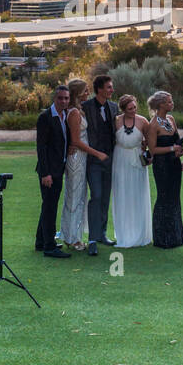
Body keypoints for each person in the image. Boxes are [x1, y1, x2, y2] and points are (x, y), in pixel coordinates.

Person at [60, 79, 101, 250]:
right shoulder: (74, 113)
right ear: (77, 93)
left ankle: (72, 235)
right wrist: (97, 153)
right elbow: (76, 141)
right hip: (76, 157)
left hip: (81, 158)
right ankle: (72, 238)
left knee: (79, 196)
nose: (88, 93)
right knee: (74, 197)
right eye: (85, 91)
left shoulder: (78, 110)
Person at [82, 74, 118, 256]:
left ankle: (102, 233)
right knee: (95, 196)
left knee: (105, 198)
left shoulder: (114, 107)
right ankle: (92, 239)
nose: (112, 90)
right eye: (109, 87)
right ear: (100, 89)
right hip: (92, 161)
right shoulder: (85, 107)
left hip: (110, 160)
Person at [145, 90, 183, 248]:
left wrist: (179, 149)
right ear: (161, 104)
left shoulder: (171, 119)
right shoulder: (153, 124)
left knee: (174, 198)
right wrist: (171, 148)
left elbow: (176, 140)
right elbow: (153, 150)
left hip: (174, 164)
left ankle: (176, 237)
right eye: (169, 101)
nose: (172, 103)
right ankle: (162, 238)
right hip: (162, 166)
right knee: (164, 198)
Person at [111, 94, 153, 248]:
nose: (133, 111)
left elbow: (149, 141)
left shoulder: (143, 121)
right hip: (120, 159)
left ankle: (140, 233)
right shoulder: (115, 121)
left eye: (135, 107)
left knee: (137, 195)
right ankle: (123, 233)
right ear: (123, 109)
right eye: (130, 109)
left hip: (137, 160)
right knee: (122, 194)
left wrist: (148, 153)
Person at [35, 85, 70, 258]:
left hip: (59, 168)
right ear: (54, 99)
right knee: (50, 207)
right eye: (60, 98)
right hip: (49, 171)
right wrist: (45, 173)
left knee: (48, 205)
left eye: (66, 98)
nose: (63, 101)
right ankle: (49, 246)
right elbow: (41, 147)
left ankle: (41, 241)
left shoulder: (65, 116)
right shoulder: (46, 117)